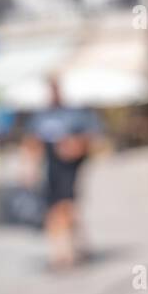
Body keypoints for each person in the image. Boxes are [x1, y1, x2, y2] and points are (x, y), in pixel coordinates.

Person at [31, 78, 101, 268]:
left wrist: (73, 146)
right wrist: (30, 169)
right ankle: (62, 250)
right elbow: (33, 141)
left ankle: (69, 248)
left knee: (66, 207)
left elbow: (92, 136)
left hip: (69, 166)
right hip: (51, 166)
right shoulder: (42, 115)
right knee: (54, 209)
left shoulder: (75, 113)